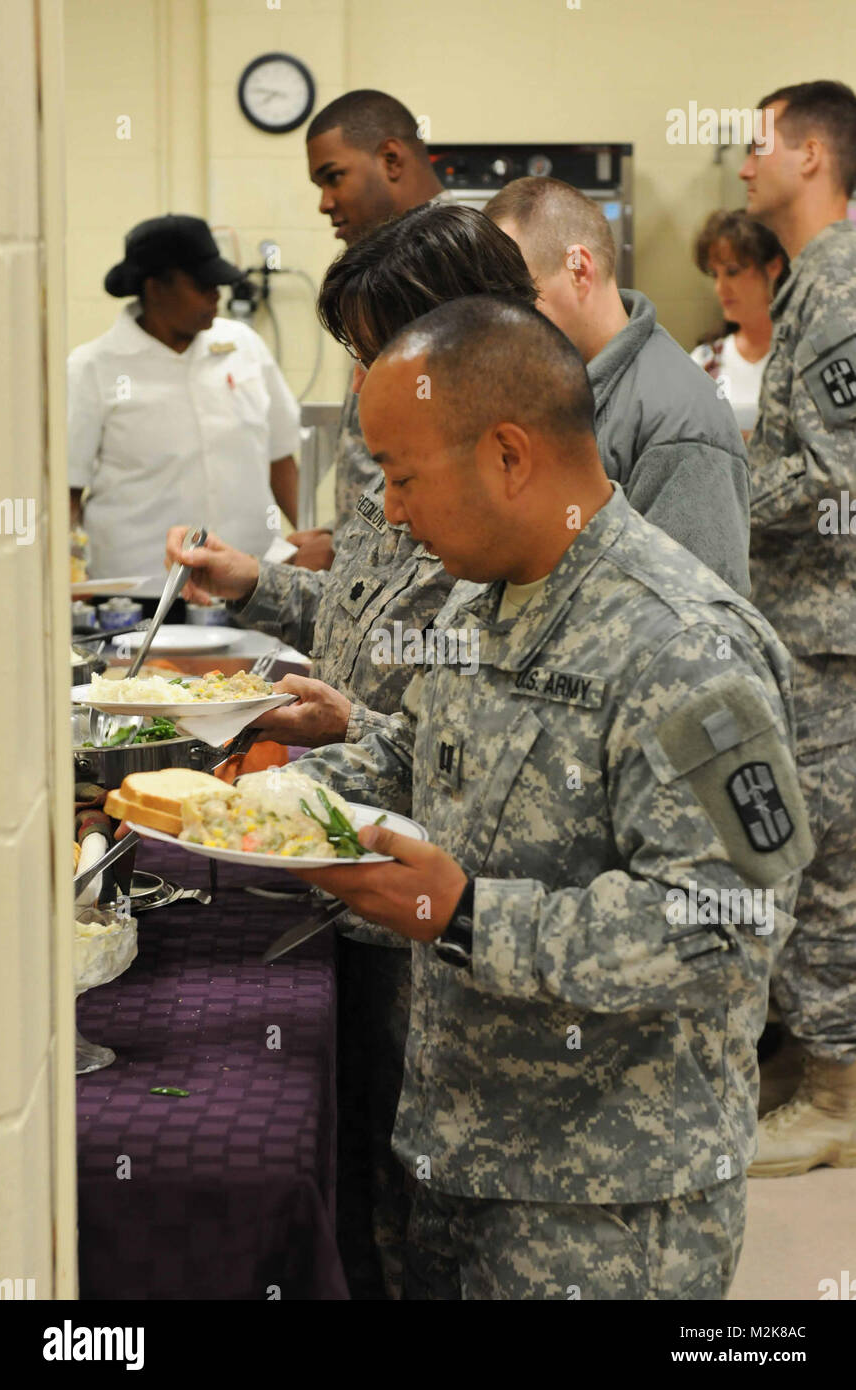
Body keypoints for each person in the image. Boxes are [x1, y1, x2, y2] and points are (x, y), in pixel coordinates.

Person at [264, 297, 813, 1299]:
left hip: (603, 1204)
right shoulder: (487, 595)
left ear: (507, 455)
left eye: (399, 475)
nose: (387, 510)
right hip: (457, 1144)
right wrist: (263, 798)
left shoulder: (687, 646)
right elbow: (433, 758)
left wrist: (468, 915)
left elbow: (732, 920)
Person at [167, 205, 539, 1299]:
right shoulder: (400, 459)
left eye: (379, 354)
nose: (364, 375)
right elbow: (371, 617)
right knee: (377, 1182)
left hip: (436, 897)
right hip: (354, 849)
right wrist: (263, 588)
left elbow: (499, 746)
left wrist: (353, 734)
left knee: (431, 1197)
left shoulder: (517, 489)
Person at [736, 79, 856, 1177]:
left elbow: (833, 469)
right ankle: (808, 1058)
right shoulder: (815, 276)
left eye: (755, 144)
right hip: (811, 625)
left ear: (811, 154)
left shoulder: (838, 282)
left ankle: (836, 1092)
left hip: (831, 633)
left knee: (820, 863)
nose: (739, 162)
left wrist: (724, 475)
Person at [486, 178, 752, 596]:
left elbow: (695, 626)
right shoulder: (539, 384)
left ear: (579, 269)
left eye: (517, 297)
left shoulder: (682, 422)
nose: (502, 320)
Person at [68, 215, 299, 581]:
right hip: (141, 589)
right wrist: (69, 572)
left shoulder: (244, 347)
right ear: (155, 287)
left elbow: (280, 458)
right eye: (203, 285)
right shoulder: (93, 368)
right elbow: (69, 489)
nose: (216, 295)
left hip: (254, 582)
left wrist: (304, 536)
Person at [289, 90, 449, 571]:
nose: (324, 204)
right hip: (374, 569)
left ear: (391, 158)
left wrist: (345, 550)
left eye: (333, 177)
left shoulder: (448, 262)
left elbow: (450, 460)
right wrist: (346, 537)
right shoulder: (390, 265)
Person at [690, 210, 788, 436]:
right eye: (715, 275)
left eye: (732, 272)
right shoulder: (705, 363)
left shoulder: (800, 358)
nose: (720, 288)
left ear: (773, 267)